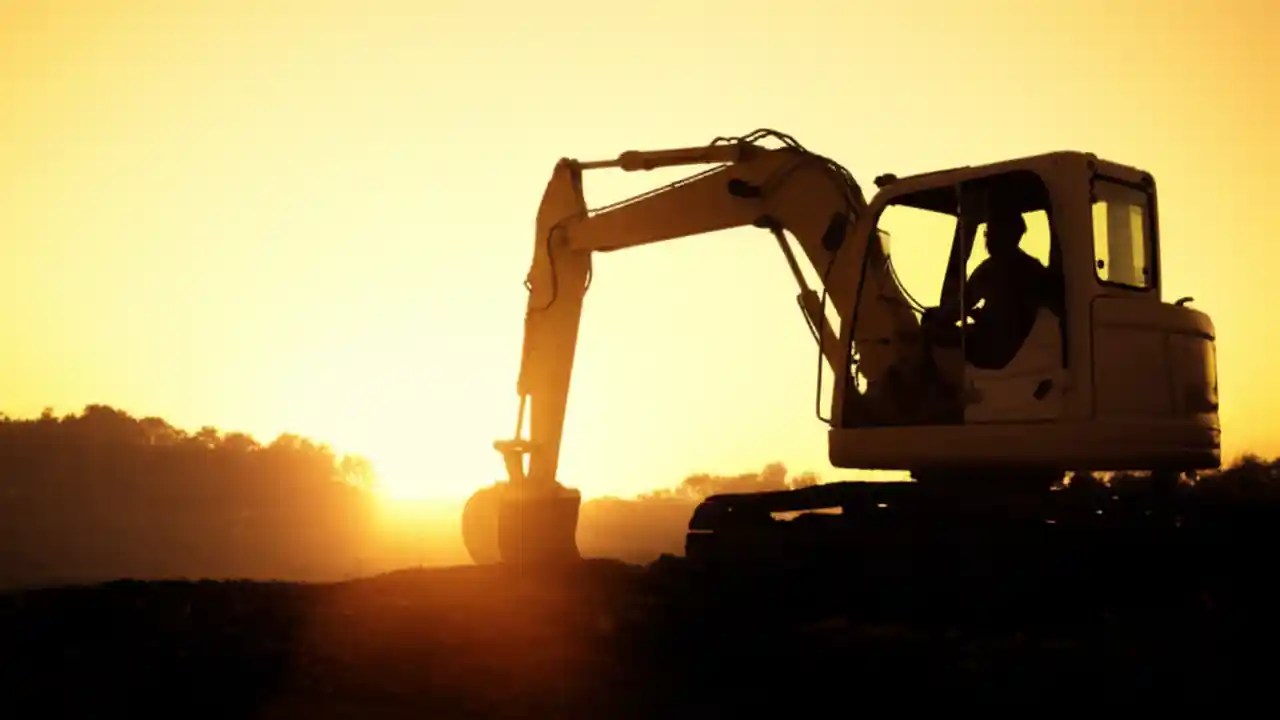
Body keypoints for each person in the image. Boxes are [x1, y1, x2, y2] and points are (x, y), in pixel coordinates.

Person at [926, 207, 1060, 370]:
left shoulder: (994, 271)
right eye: (987, 232)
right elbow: (965, 306)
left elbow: (966, 308)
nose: (987, 238)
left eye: (990, 232)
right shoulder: (1029, 267)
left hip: (997, 349)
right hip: (1012, 347)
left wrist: (938, 317)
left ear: (1008, 235)